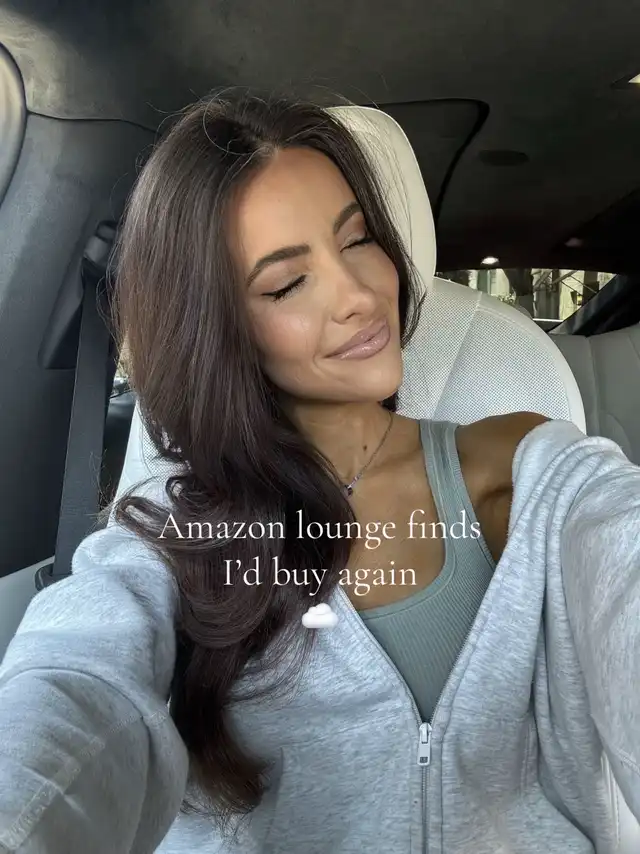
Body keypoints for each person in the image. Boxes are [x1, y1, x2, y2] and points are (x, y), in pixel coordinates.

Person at [0, 90, 638, 854]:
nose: (358, 296)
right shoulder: (173, 546)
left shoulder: (531, 474)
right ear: (218, 327)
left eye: (358, 239)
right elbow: (71, 694)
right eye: (286, 284)